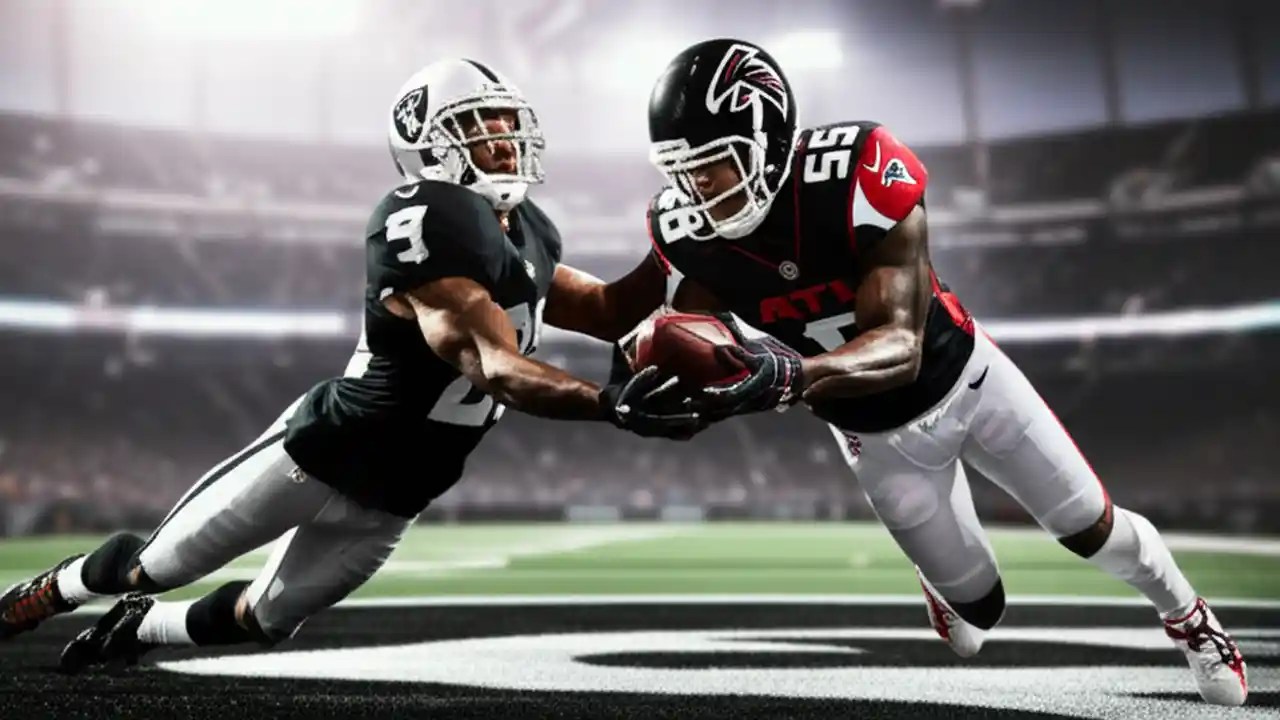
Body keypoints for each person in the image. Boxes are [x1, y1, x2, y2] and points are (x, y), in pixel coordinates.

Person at [0, 58, 697, 671]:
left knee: (266, 621)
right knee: (153, 565)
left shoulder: (531, 230)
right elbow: (493, 366)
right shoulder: (424, 215)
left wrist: (673, 248)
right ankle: (49, 593)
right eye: (481, 124)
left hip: (396, 498)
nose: (503, 138)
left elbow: (606, 310)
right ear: (430, 143)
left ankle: (141, 632)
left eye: (507, 122)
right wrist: (605, 402)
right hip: (319, 454)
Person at [635, 38, 1247, 706]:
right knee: (977, 613)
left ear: (770, 138)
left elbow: (900, 344)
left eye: (715, 166)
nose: (699, 189)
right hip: (869, 434)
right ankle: (947, 582)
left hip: (966, 382)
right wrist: (645, 385)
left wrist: (787, 376)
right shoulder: (690, 232)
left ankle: (1190, 616)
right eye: (683, 172)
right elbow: (681, 330)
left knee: (1090, 530)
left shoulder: (854, 170)